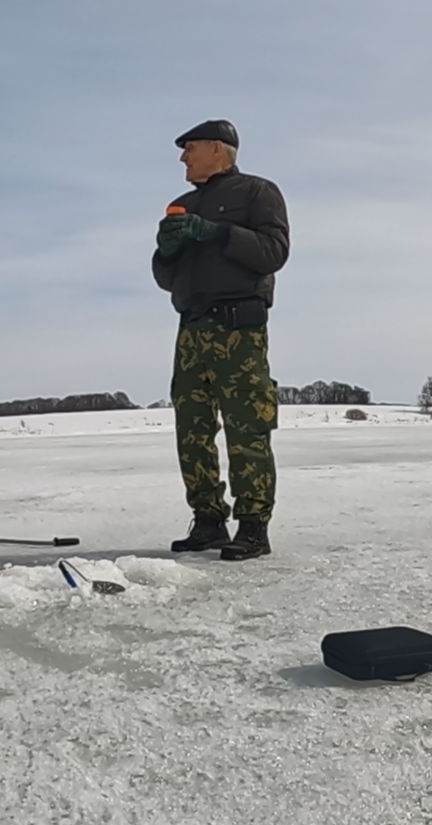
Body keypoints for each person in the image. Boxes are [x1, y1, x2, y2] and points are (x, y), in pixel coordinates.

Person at [152, 119, 290, 561]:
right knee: (191, 429)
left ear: (217, 148)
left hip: (238, 328)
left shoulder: (257, 192)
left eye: (189, 148)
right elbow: (165, 278)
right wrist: (166, 252)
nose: (182, 157)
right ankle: (208, 521)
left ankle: (253, 527)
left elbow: (274, 252)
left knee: (247, 427)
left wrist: (217, 233)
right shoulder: (182, 204)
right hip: (191, 329)